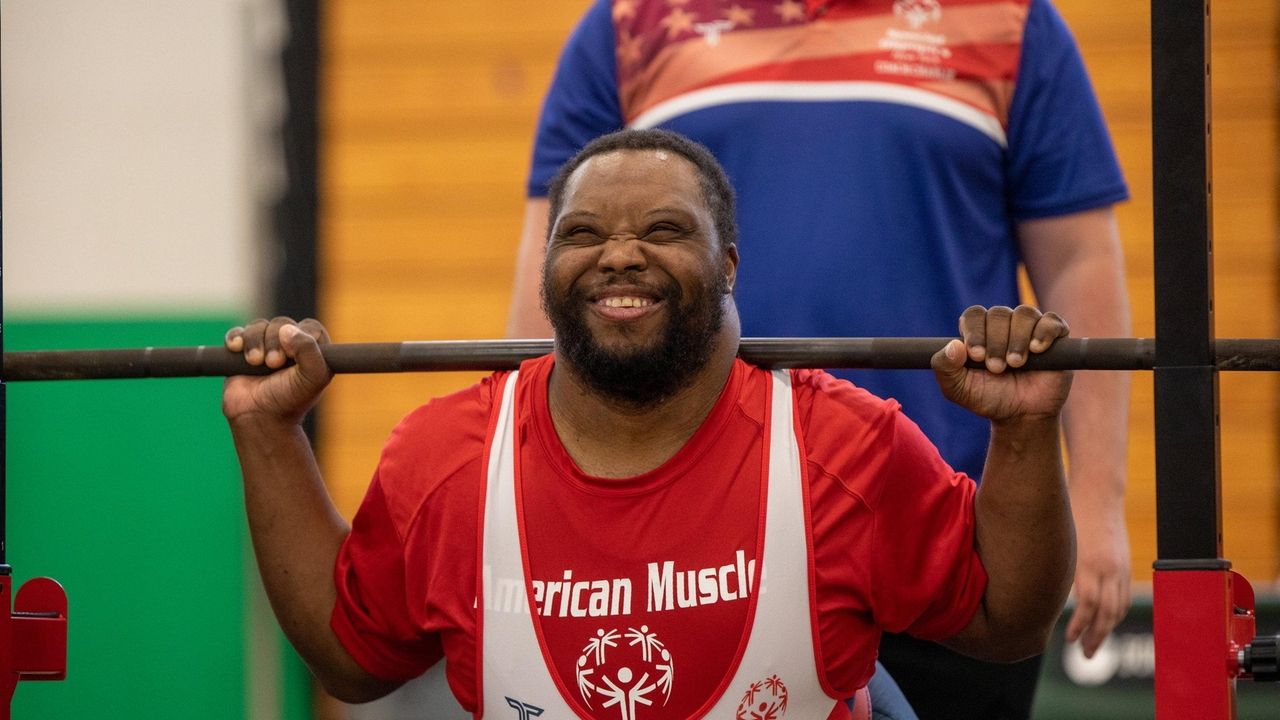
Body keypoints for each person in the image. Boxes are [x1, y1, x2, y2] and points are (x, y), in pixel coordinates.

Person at [223, 129, 1077, 719]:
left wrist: (1026, 433)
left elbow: (1006, 620)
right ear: (549, 269)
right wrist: (268, 434)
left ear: (728, 264)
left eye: (664, 230)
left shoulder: (841, 448)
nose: (621, 254)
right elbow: (354, 661)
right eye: (582, 233)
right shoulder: (447, 458)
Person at [505, 2, 1131, 716]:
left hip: (947, 525)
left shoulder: (1010, 19)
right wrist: (527, 498)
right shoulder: (628, 24)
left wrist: (1097, 500)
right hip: (696, 542)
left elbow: (1078, 261)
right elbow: (563, 261)